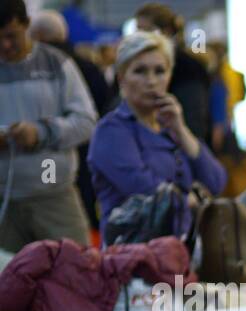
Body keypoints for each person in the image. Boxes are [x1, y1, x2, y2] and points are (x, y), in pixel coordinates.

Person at [87, 30, 226, 227]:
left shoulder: (171, 126)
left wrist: (181, 130)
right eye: (140, 71)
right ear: (121, 78)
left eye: (159, 71)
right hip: (131, 250)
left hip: (183, 248)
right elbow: (145, 190)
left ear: (170, 76)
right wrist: (193, 199)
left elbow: (216, 181)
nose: (151, 81)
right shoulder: (110, 131)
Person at [0, 0, 96, 253]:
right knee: (9, 288)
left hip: (55, 197)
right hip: (4, 202)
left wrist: (41, 133)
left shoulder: (58, 64)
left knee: (77, 277)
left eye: (11, 36)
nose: (4, 46)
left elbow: (86, 122)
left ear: (27, 25)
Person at [133, 3, 212, 147]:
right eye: (138, 32)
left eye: (147, 31)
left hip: (181, 149)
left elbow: (194, 122)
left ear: (166, 31)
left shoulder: (188, 68)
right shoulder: (134, 64)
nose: (140, 38)